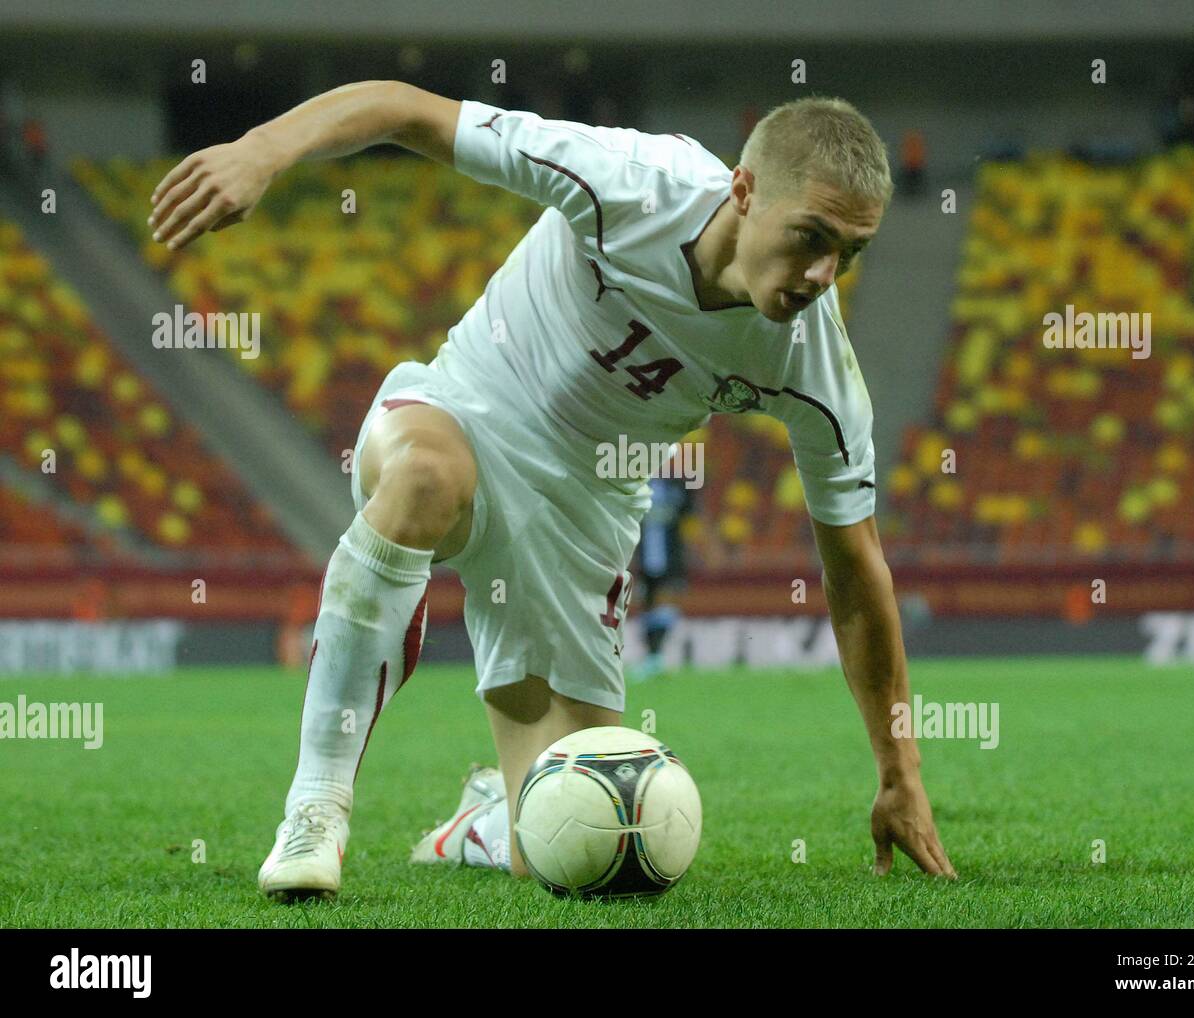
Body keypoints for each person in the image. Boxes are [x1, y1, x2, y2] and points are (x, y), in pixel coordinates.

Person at [148, 81, 956, 896]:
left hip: (586, 516)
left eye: (848, 253)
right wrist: (261, 150)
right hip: (463, 411)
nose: (823, 274)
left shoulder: (816, 366)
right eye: (810, 236)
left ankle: (485, 822)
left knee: (578, 844)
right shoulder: (631, 181)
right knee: (425, 478)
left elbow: (857, 575)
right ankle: (315, 808)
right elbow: (406, 108)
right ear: (743, 193)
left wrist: (899, 771)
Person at [628, 472, 694, 681]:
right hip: (645, 558)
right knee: (647, 606)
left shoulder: (678, 485)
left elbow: (690, 517)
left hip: (670, 557)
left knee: (665, 601)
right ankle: (653, 657)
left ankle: (656, 656)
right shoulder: (635, 484)